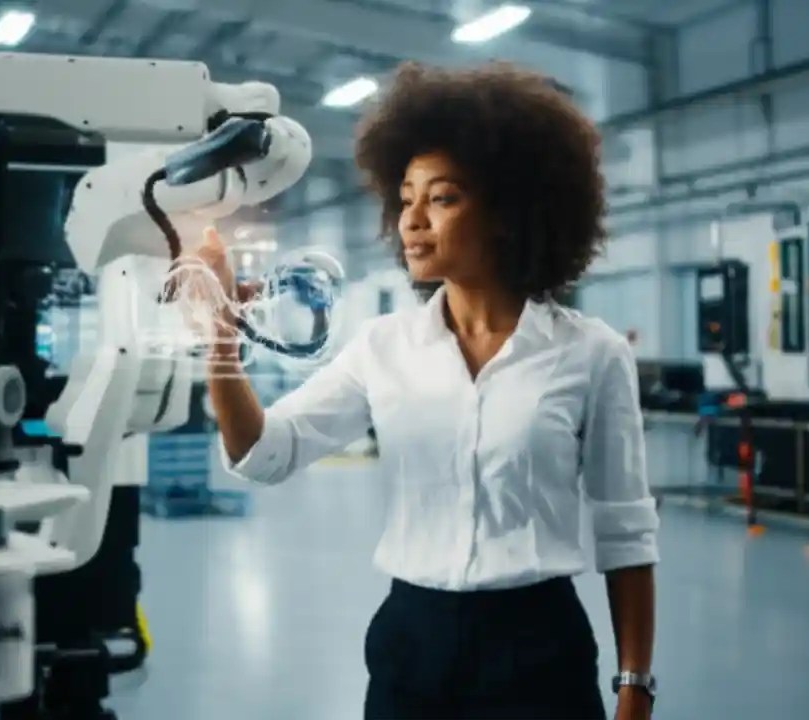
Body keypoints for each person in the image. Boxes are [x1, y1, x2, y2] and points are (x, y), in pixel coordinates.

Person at [190, 61, 659, 720]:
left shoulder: (591, 354)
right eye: (405, 198)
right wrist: (220, 341)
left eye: (441, 198)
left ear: (506, 211)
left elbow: (625, 530)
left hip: (539, 649)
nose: (412, 220)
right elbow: (265, 453)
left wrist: (635, 684)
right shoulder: (384, 349)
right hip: (412, 642)